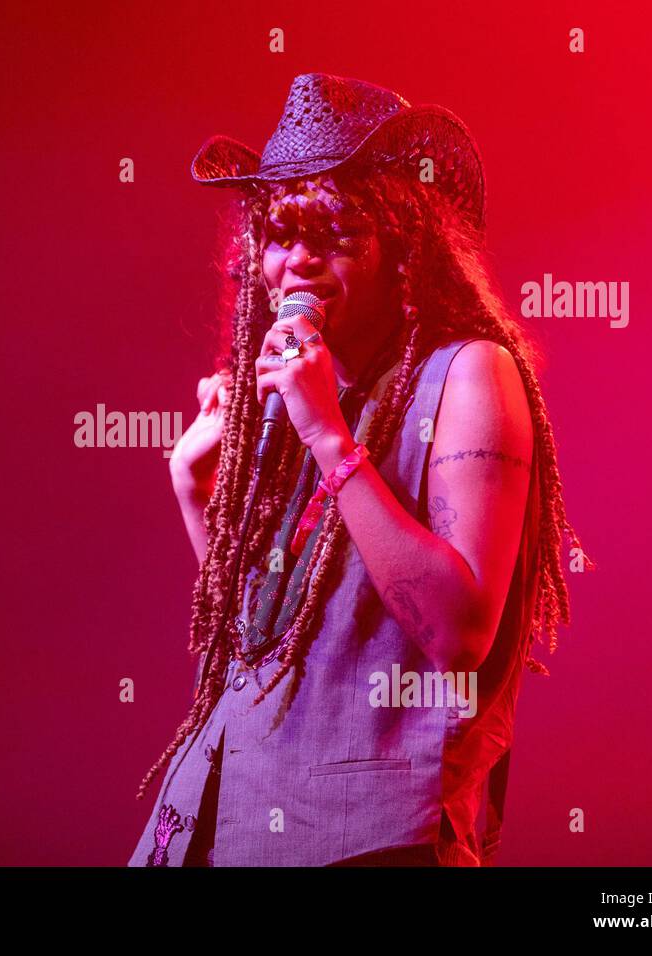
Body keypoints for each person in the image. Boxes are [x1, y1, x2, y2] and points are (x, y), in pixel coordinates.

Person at [128, 73, 590, 867]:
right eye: (280, 235)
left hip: (361, 840)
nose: (298, 261)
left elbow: (457, 633)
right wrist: (195, 490)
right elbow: (261, 651)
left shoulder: (469, 376)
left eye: (336, 234)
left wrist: (329, 438)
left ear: (403, 247)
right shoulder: (289, 398)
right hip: (217, 823)